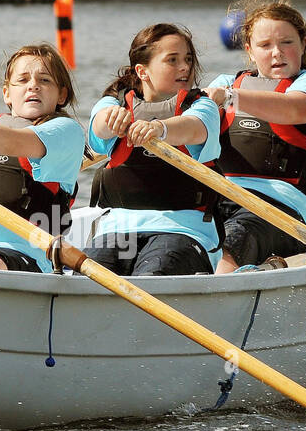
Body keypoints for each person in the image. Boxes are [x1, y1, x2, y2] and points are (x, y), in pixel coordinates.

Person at [205, 0, 306, 274]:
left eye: (287, 42)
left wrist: (230, 98)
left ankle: (220, 288)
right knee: (186, 236)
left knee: (229, 242)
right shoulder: (225, 83)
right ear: (249, 49)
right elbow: (189, 125)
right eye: (265, 45)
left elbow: (293, 109)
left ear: (303, 43)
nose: (277, 53)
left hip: (287, 214)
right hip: (221, 200)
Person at [84, 23, 222, 276]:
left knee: (152, 275)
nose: (185, 67)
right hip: (116, 231)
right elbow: (98, 130)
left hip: (183, 232)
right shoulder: (112, 103)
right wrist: (111, 119)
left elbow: (194, 128)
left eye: (188, 59)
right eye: (173, 60)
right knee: (88, 280)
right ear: (142, 71)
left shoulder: (203, 106)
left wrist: (159, 129)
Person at [0, 44, 85, 273]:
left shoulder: (66, 131)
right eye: (23, 80)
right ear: (7, 93)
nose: (33, 86)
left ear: (62, 94)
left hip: (27, 254)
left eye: (45, 80)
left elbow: (14, 143)